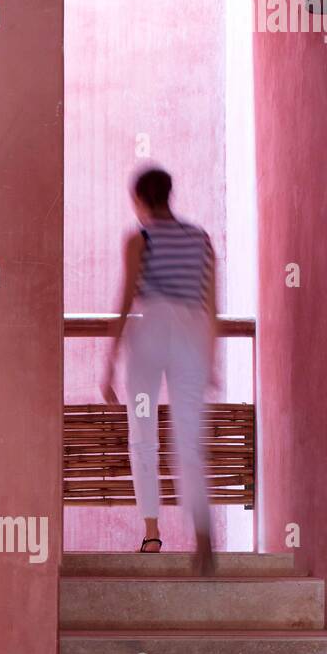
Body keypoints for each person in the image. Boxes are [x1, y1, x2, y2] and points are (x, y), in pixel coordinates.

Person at [100, 167, 218, 575]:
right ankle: (203, 530)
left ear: (138, 199)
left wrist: (110, 358)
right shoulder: (201, 239)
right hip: (191, 338)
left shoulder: (140, 238)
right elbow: (211, 305)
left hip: (150, 336)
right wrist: (212, 358)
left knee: (144, 432)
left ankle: (152, 532)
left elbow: (126, 294)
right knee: (189, 436)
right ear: (170, 194)